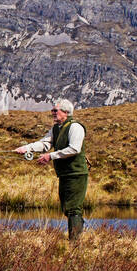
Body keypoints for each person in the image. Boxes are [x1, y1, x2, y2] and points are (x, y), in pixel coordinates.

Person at [14, 99, 89, 241]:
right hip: (64, 174)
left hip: (77, 173)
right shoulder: (56, 128)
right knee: (67, 207)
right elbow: (45, 143)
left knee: (73, 208)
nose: (53, 113)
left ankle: (75, 242)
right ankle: (78, 234)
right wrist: (26, 148)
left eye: (56, 110)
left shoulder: (75, 127)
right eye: (52, 110)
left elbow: (74, 149)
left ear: (66, 112)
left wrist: (50, 156)